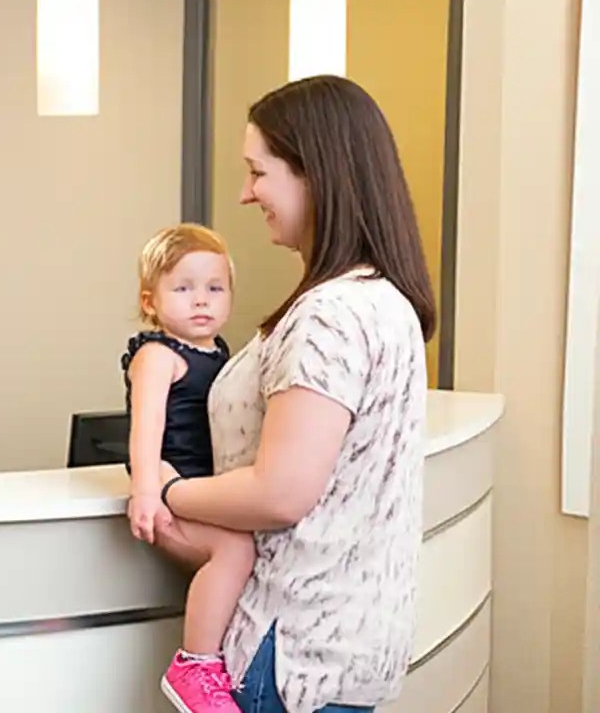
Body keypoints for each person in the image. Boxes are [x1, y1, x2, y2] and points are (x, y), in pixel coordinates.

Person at [157, 75, 436, 713]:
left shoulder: (331, 313)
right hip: (350, 643)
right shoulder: (384, 300)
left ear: (315, 172)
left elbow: (280, 492)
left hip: (294, 653)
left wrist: (166, 490)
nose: (245, 193)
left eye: (259, 172)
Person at [122, 224, 255, 713]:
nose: (202, 300)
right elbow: (144, 427)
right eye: (183, 288)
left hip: (205, 488)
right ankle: (195, 665)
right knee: (235, 551)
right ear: (151, 301)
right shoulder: (157, 355)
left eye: (214, 288)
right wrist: (145, 492)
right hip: (167, 484)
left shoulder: (219, 354)